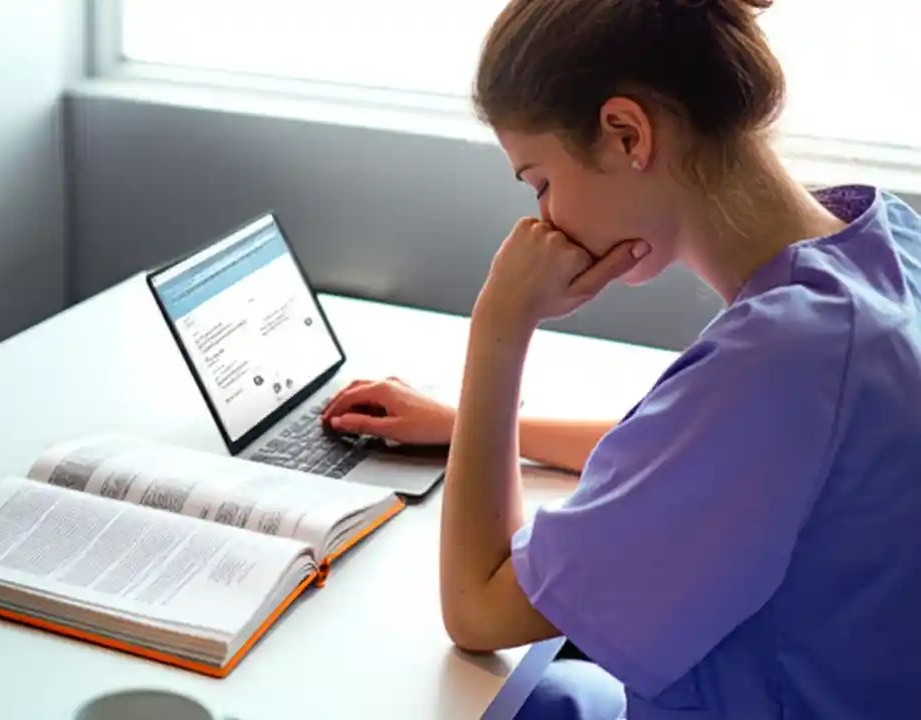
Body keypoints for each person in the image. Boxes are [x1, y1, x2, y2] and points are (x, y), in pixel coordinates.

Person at [321, 0, 921, 717]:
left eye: (539, 181)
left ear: (625, 133)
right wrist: (458, 423)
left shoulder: (786, 358)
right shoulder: (882, 247)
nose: (542, 219)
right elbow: (704, 457)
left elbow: (477, 609)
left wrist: (499, 330)